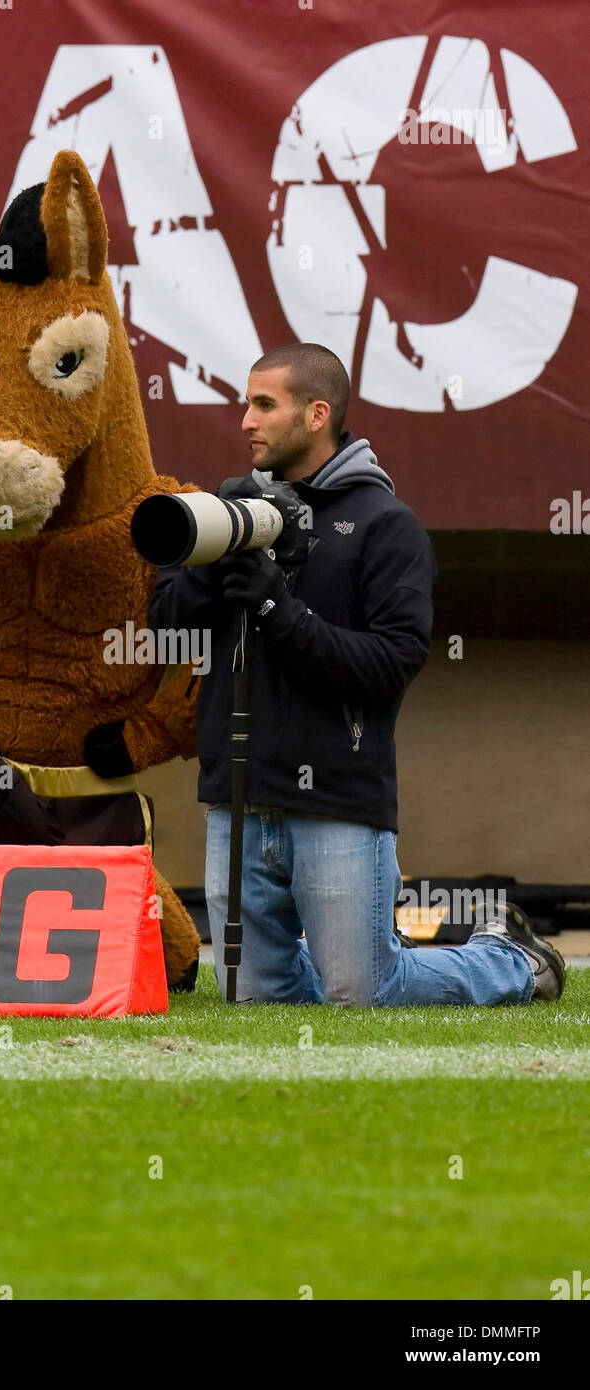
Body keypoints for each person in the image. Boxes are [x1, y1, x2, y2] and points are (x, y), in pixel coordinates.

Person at [148, 343, 564, 1006]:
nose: (245, 422)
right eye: (245, 403)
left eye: (264, 404)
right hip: (236, 796)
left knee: (364, 990)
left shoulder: (385, 527)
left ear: (317, 414)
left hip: (337, 798)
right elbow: (165, 628)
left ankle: (509, 958)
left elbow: (389, 666)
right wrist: (218, 563)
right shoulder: (236, 512)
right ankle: (324, 948)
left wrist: (274, 604)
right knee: (256, 997)